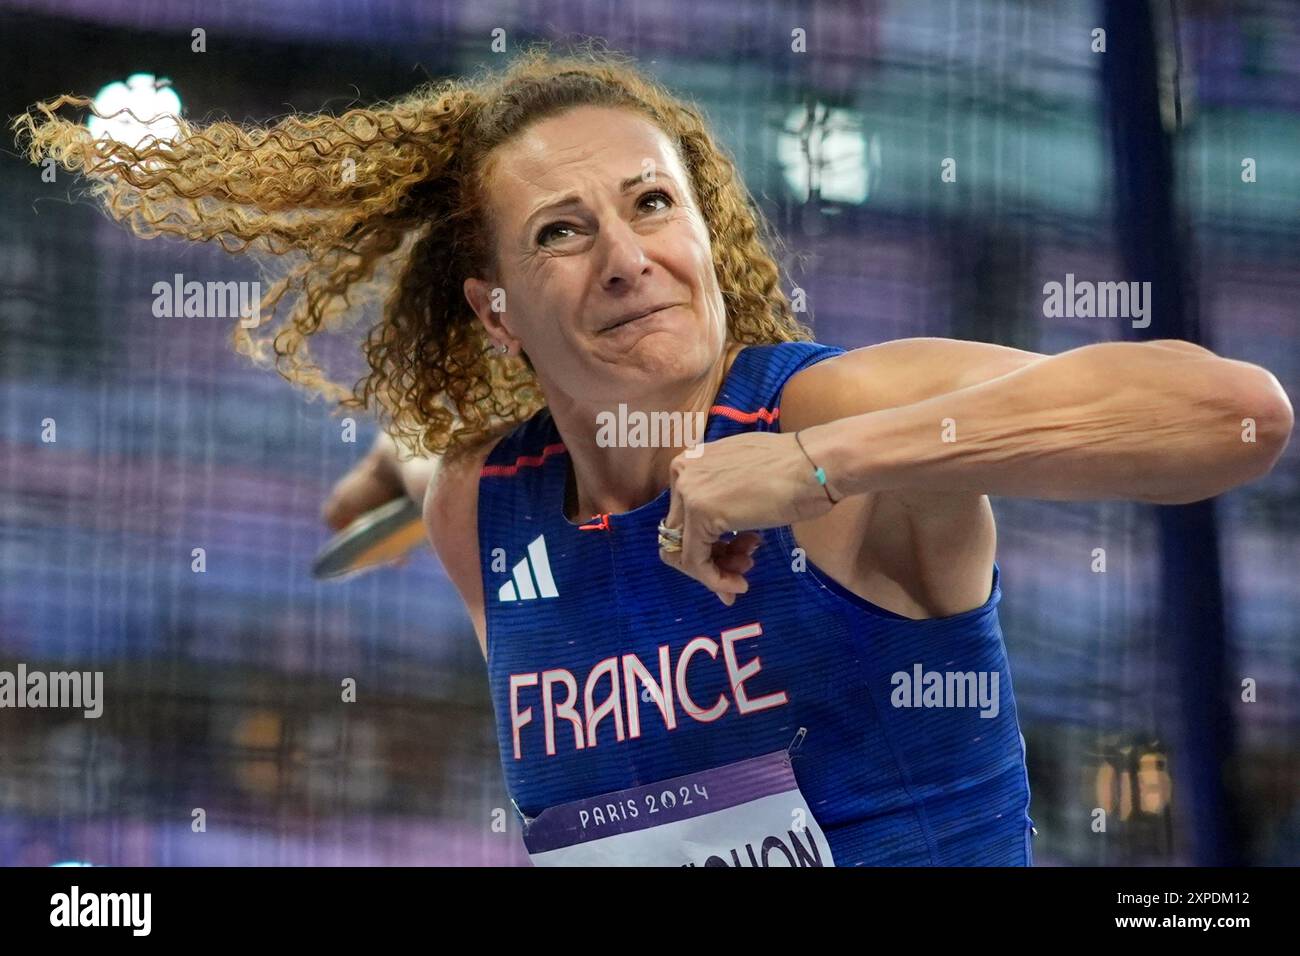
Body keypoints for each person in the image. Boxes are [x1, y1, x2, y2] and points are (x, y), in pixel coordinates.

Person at [17, 46, 1292, 866]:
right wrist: (396, 468)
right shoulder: (485, 503)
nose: (627, 258)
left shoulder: (831, 410)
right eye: (562, 232)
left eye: (651, 202)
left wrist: (819, 466)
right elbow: (437, 465)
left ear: (703, 223)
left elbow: (1234, 414)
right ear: (498, 311)